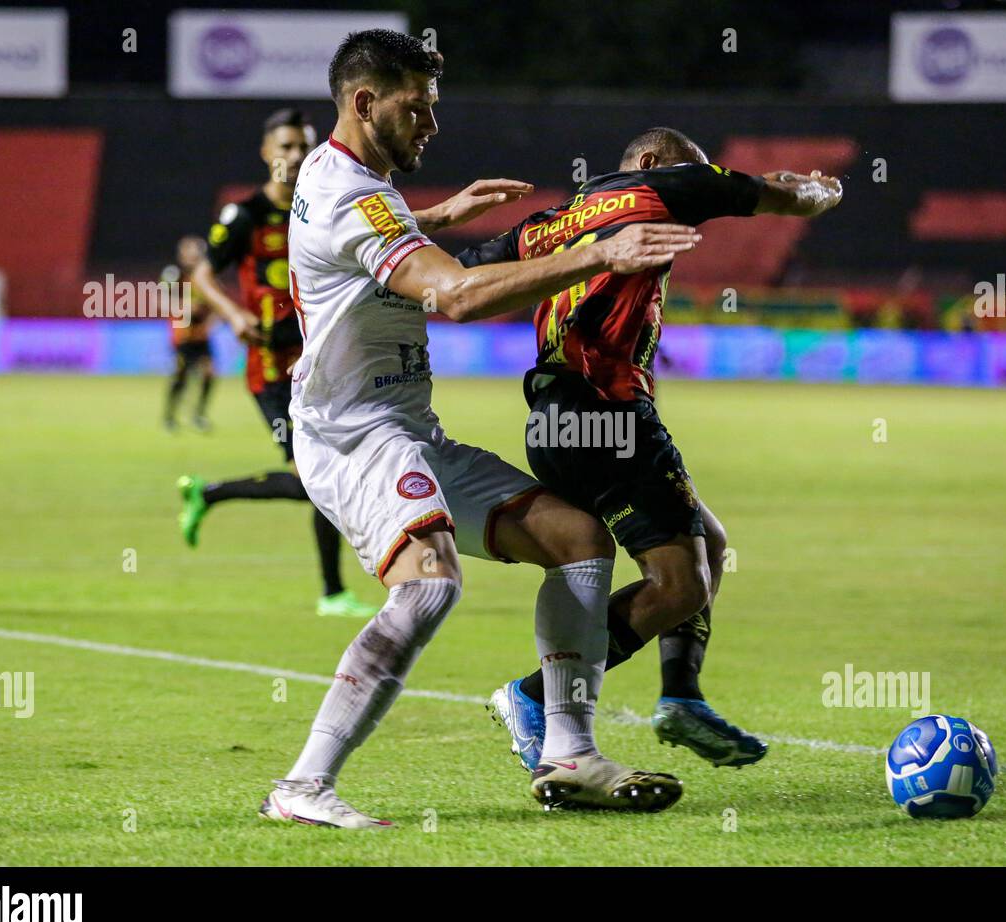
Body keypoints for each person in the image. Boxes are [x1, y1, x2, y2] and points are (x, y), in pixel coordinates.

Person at [260, 30, 701, 828]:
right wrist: (603, 253)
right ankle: (303, 785)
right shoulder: (353, 196)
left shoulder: (347, 180)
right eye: (416, 106)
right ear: (365, 103)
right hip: (355, 435)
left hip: (403, 428)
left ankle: (569, 752)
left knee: (580, 542)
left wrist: (435, 214)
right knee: (429, 581)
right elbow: (458, 298)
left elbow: (345, 238)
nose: (432, 123)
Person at [458, 127, 842, 770]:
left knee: (707, 545)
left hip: (553, 420)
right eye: (692, 171)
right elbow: (785, 196)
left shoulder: (549, 224)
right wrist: (824, 190)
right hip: (609, 413)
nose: (697, 184)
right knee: (682, 584)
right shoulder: (663, 183)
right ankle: (531, 696)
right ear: (652, 161)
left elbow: (457, 276)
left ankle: (682, 697)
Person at [179, 107, 377, 617]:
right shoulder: (244, 216)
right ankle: (332, 592)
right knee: (318, 480)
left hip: (317, 363)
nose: (293, 156)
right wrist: (232, 313)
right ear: (267, 153)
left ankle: (211, 494)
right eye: (284, 147)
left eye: (302, 147)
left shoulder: (321, 208)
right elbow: (202, 275)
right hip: (270, 369)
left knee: (324, 478)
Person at [162, 235, 215, 432]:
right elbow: (160, 300)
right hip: (182, 334)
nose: (194, 256)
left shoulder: (206, 275)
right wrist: (184, 307)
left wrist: (211, 320)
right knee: (181, 374)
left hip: (201, 334)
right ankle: (169, 416)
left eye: (197, 253)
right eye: (190, 252)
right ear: (181, 254)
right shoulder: (173, 274)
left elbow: (216, 303)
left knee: (209, 373)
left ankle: (199, 415)